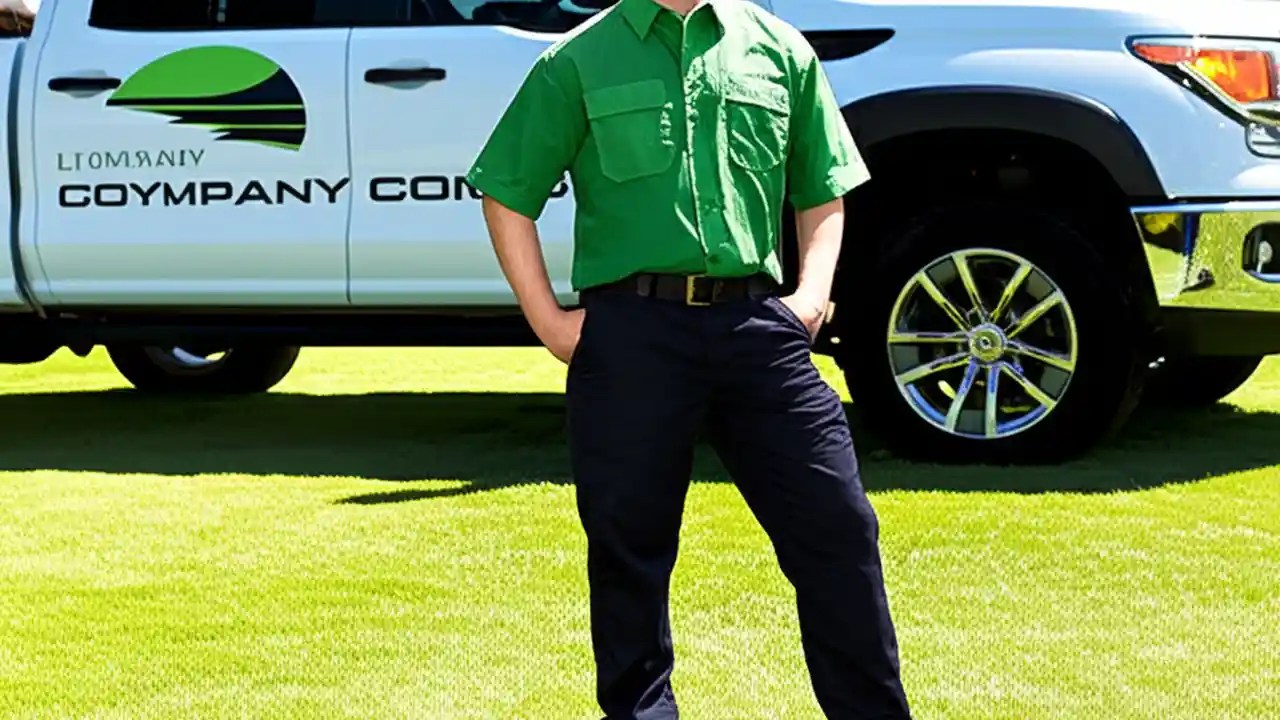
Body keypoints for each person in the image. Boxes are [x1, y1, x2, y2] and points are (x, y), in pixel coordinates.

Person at [466, 0, 913, 716]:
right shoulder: (576, 60)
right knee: (629, 551)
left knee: (839, 528)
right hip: (632, 334)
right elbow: (506, 192)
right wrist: (549, 322)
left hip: (759, 328)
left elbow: (823, 188)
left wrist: (809, 298)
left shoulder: (780, 50)